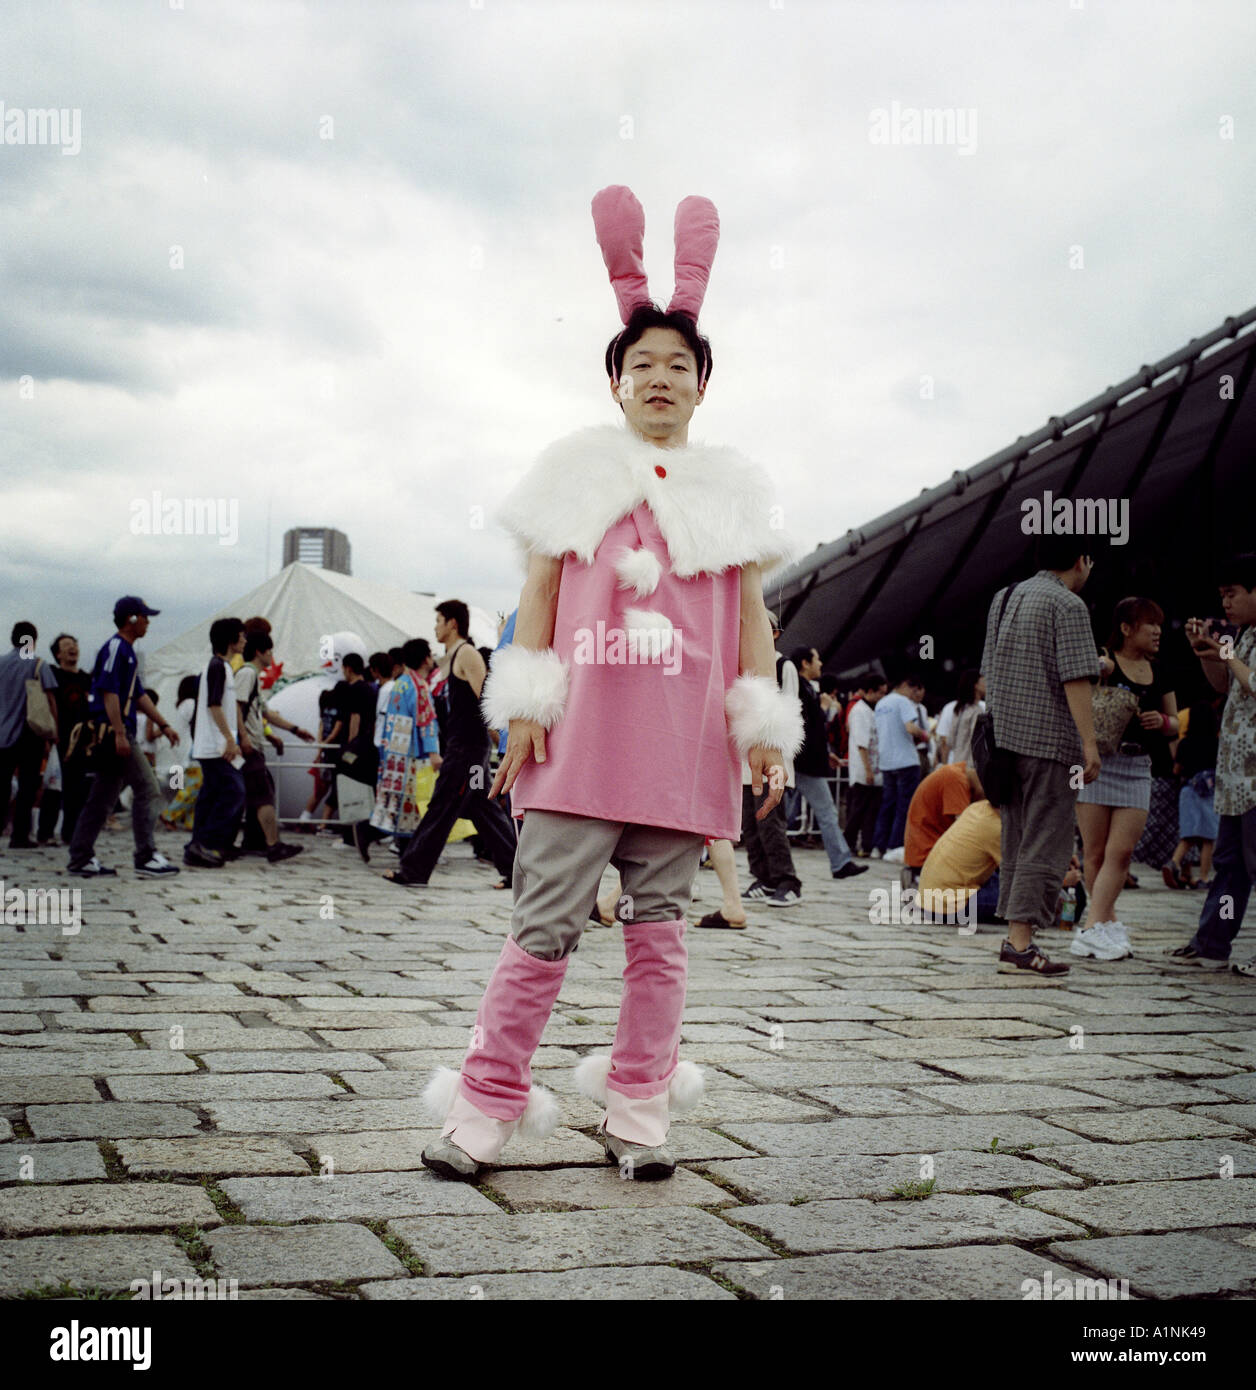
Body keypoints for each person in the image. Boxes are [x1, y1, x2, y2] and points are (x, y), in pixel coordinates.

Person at [419, 187, 799, 1182]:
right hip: (580, 745)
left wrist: (761, 729)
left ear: (702, 385)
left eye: (680, 364)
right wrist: (525, 711)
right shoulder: (573, 475)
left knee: (660, 940)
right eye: (643, 365)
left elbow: (751, 621)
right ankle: (486, 1104)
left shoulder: (730, 494)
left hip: (680, 756)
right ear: (617, 384)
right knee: (539, 931)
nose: (660, 378)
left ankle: (637, 1113)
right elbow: (536, 596)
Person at [981, 538, 1102, 976]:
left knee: (1016, 837)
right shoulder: (1069, 606)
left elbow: (992, 667)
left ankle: (1015, 936)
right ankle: (1020, 943)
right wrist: (1089, 743)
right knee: (1047, 842)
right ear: (1081, 561)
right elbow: (1075, 678)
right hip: (1051, 742)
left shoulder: (1005, 597)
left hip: (1005, 742)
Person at [383, 600, 518, 888]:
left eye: (439, 621)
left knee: (442, 805)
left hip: (467, 750)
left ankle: (414, 870)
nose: (435, 627)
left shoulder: (467, 653)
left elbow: (486, 698)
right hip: (464, 747)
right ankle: (517, 873)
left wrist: (501, 738)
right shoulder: (451, 656)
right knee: (484, 810)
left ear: (452, 623)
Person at [1073, 597, 1177, 962]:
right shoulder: (1103, 661)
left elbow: (1175, 721)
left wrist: (1163, 723)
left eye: (1159, 625)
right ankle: (1106, 924)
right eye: (1150, 624)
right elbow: (1075, 694)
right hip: (1097, 764)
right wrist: (1094, 666)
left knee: (1122, 852)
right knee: (1095, 853)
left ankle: (1091, 927)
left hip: (1137, 767)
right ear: (1126, 628)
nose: (1157, 631)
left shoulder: (1159, 670)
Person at [1169, 554, 1256, 974]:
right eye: (1222, 595)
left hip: (1254, 779)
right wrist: (1208, 653)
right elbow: (1224, 684)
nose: (1226, 603)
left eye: (1233, 593)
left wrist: (1227, 653)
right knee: (1228, 866)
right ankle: (1212, 943)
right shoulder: (1245, 636)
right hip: (1236, 778)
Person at [67, 599, 180, 878]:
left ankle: (80, 857)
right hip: (114, 732)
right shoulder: (117, 648)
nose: (148, 622)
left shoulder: (126, 651)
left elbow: (138, 695)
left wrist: (163, 724)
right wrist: (119, 732)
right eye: (145, 616)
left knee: (102, 798)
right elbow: (108, 692)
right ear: (131, 619)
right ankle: (145, 856)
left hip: (116, 732)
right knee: (148, 789)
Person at [918, 799, 1083, 929]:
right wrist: (1062, 881)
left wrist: (1062, 855)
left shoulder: (978, 808)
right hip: (948, 907)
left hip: (929, 898)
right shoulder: (998, 829)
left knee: (1000, 877)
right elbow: (1023, 876)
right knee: (1025, 897)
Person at [355, 637, 440, 859]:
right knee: (411, 805)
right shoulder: (419, 686)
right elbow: (426, 721)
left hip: (394, 753)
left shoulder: (401, 682)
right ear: (425, 659)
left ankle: (401, 850)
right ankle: (370, 832)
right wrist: (433, 752)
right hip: (413, 754)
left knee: (400, 806)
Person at [739, 614, 802, 906]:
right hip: (745, 759)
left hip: (772, 754)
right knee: (750, 825)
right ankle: (763, 877)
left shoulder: (782, 665)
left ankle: (786, 880)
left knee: (770, 822)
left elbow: (788, 706)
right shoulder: (740, 661)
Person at [788, 647, 866, 880]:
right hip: (805, 764)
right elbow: (807, 726)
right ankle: (840, 862)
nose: (820, 664)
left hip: (805, 762)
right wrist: (823, 708)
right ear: (805, 663)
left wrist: (826, 754)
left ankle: (840, 861)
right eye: (817, 659)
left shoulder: (806, 688)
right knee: (826, 813)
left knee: (784, 814)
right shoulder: (801, 689)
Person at [235, 631, 312, 862]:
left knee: (259, 792)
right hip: (249, 746)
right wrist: (244, 738)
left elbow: (264, 713)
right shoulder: (247, 673)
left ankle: (254, 841)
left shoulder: (252, 676)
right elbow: (237, 708)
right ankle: (273, 845)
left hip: (253, 744)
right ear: (260, 652)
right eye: (270, 651)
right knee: (263, 795)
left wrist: (293, 730)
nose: (272, 656)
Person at [185, 617, 246, 868]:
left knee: (210, 795)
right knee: (234, 791)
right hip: (215, 746)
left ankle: (198, 845)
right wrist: (230, 740)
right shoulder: (217, 667)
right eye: (241, 636)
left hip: (215, 744)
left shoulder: (221, 667)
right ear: (231, 639)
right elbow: (214, 705)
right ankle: (206, 842)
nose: (244, 640)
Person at [0, 621, 59, 848]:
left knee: (2, 783)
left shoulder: (1, 663)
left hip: (2, 733)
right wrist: (55, 733)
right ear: (33, 640)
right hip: (30, 734)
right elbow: (51, 701)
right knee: (27, 786)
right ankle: (19, 836)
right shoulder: (38, 664)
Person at [37, 634, 92, 847]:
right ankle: (45, 833)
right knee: (53, 788)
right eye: (67, 646)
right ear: (58, 654)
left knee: (77, 790)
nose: (73, 648)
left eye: (75, 645)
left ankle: (71, 834)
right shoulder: (52, 674)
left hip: (80, 742)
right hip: (58, 740)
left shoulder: (86, 678)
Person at [1164, 699, 1220, 889]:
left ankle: (1173, 862)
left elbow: (1176, 770)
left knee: (1188, 835)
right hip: (1209, 792)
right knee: (1208, 838)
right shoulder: (1216, 743)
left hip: (1188, 791)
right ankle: (1203, 877)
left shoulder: (1185, 743)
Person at [871, 673, 927, 860]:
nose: (914, 694)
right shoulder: (903, 702)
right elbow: (910, 728)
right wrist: (924, 735)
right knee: (904, 806)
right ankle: (894, 847)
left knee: (887, 804)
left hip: (887, 761)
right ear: (904, 685)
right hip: (906, 760)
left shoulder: (881, 704)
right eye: (913, 689)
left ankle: (878, 846)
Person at [904, 759, 984, 874]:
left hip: (927, 852)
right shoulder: (956, 778)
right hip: (927, 856)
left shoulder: (956, 773)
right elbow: (965, 829)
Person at [844, 672, 885, 857]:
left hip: (875, 769)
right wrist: (868, 770)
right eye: (880, 693)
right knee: (858, 810)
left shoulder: (873, 709)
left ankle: (866, 845)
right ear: (870, 691)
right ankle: (848, 843)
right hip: (863, 769)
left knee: (871, 811)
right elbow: (861, 744)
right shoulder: (860, 711)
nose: (882, 697)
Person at [160, 676, 203, 832]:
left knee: (188, 789)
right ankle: (169, 815)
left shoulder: (183, 704)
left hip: (178, 757)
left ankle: (190, 821)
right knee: (193, 788)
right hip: (188, 756)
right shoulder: (191, 704)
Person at [937, 669, 985, 767]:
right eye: (984, 681)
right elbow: (977, 741)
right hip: (970, 766)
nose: (987, 685)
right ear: (975, 685)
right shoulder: (977, 710)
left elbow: (948, 741)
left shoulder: (958, 709)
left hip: (955, 762)